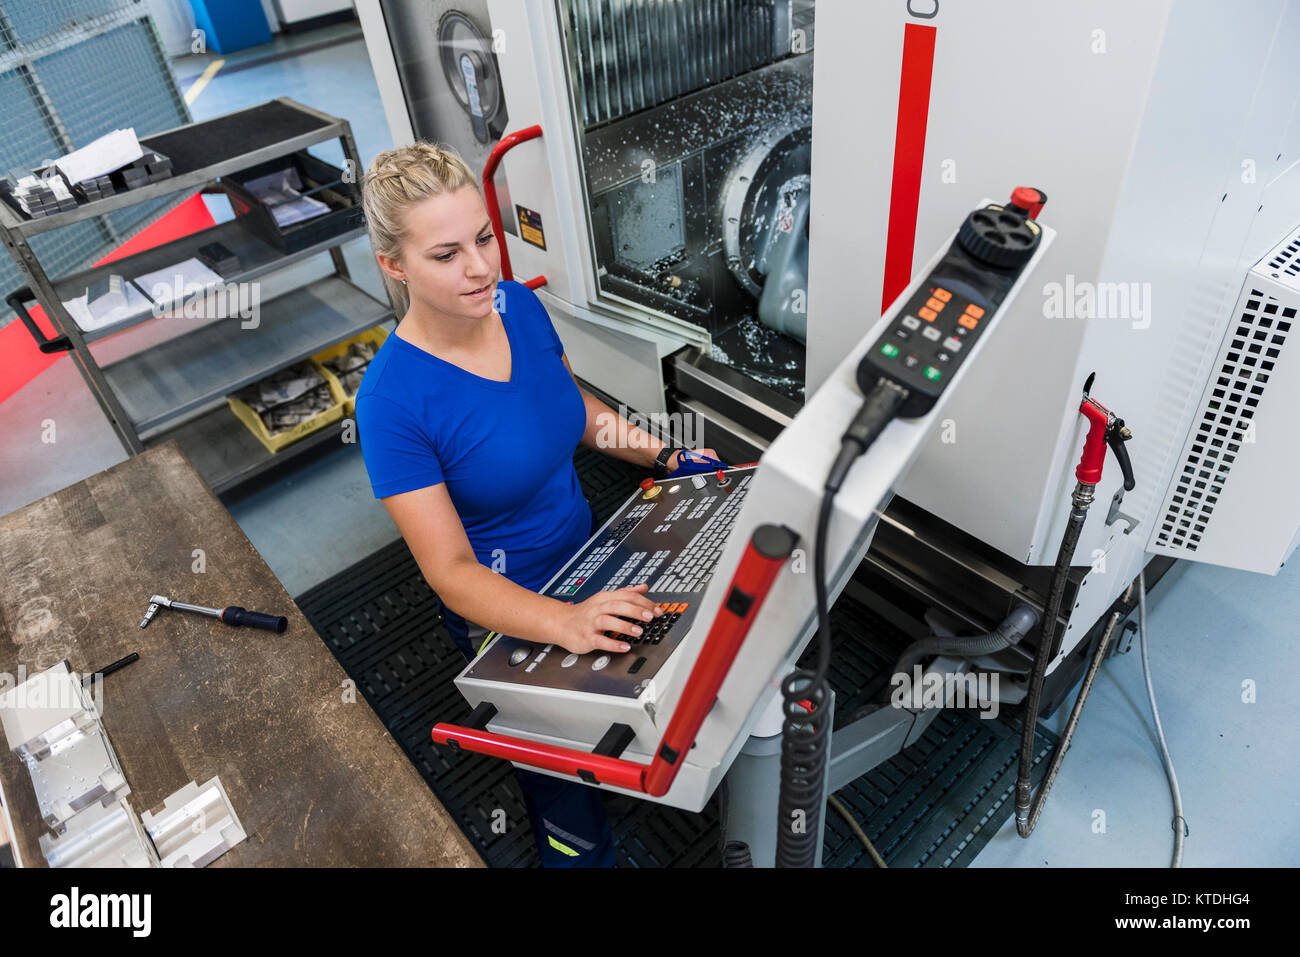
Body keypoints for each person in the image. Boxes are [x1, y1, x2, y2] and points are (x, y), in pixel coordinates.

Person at [353, 142, 716, 867]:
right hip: (508, 608)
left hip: (592, 556)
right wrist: (565, 623)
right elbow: (451, 569)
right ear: (395, 266)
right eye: (447, 254)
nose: (481, 267)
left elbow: (572, 409)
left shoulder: (516, 305)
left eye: (484, 237)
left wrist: (666, 455)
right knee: (567, 804)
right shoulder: (391, 403)